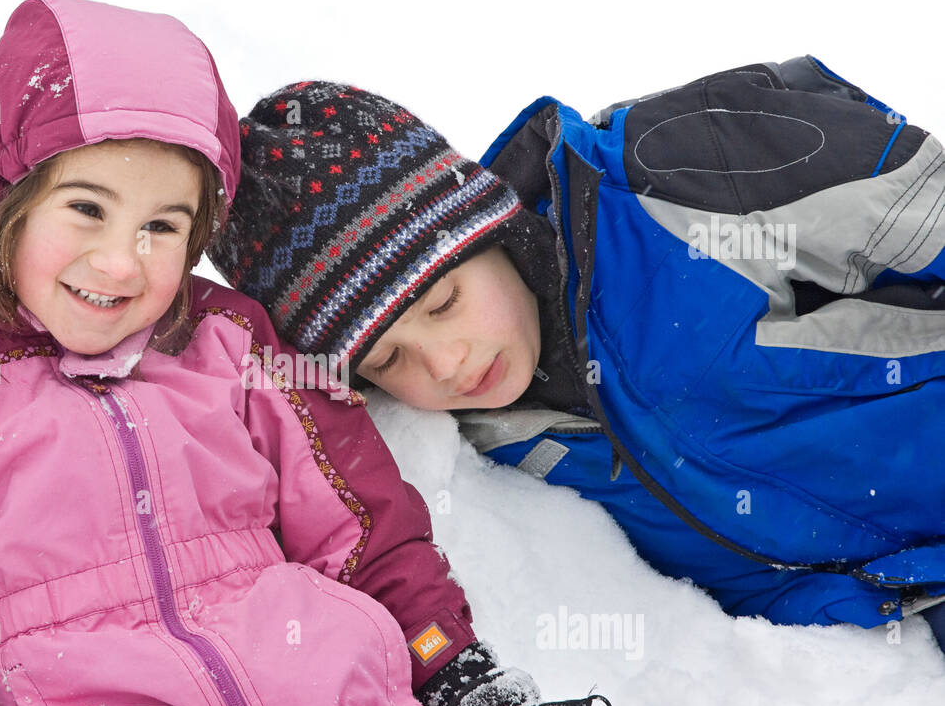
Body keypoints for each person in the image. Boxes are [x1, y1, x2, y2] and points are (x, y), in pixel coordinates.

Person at [0, 0, 604, 706]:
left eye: (163, 226)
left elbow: (363, 527)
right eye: (88, 209)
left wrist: (462, 685)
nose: (121, 262)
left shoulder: (231, 343)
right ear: (8, 191)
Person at [212, 64, 945, 654]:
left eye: (443, 305)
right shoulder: (499, 446)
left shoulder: (681, 173)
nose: (444, 365)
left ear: (486, 227)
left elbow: (923, 210)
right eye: (388, 359)